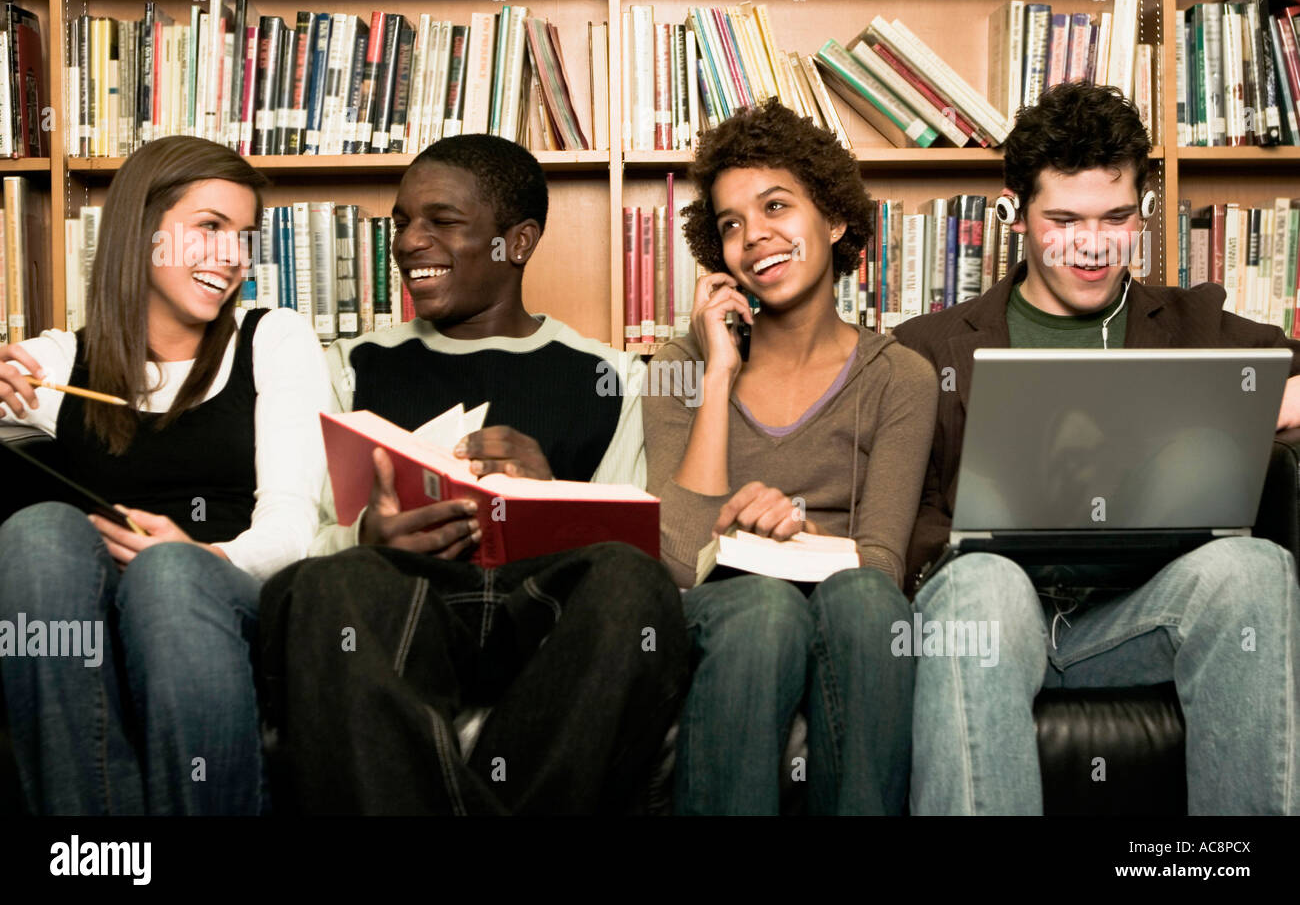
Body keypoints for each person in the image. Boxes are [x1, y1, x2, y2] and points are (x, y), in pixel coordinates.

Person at [893, 81, 1300, 815]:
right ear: (1017, 213)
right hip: (994, 612)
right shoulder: (926, 349)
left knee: (1255, 567)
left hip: (1138, 615)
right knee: (983, 586)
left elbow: (1281, 375)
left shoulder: (1192, 323)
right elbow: (899, 517)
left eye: (1117, 218)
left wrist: (1279, 400)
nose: (1092, 244)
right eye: (1064, 220)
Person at [257, 133, 689, 815]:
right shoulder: (352, 362)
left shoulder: (611, 377)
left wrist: (552, 502)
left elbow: (628, 543)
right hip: (399, 609)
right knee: (324, 582)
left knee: (634, 584)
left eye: (442, 222)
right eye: (401, 222)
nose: (407, 242)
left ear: (515, 243)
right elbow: (298, 530)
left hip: (538, 614)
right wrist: (370, 535)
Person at [0, 135, 331, 815]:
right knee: (36, 531)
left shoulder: (275, 337)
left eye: (244, 236)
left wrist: (197, 554)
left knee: (168, 576)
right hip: (92, 616)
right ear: (142, 234)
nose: (233, 257)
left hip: (221, 603)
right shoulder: (60, 361)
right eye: (210, 228)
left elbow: (293, 526)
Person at [643, 98, 938, 815]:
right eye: (731, 225)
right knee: (765, 611)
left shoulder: (902, 377)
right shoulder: (680, 367)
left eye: (776, 206)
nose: (754, 237)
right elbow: (682, 556)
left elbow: (880, 565)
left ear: (835, 220)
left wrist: (793, 536)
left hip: (848, 608)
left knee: (867, 600)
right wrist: (718, 373)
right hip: (724, 614)